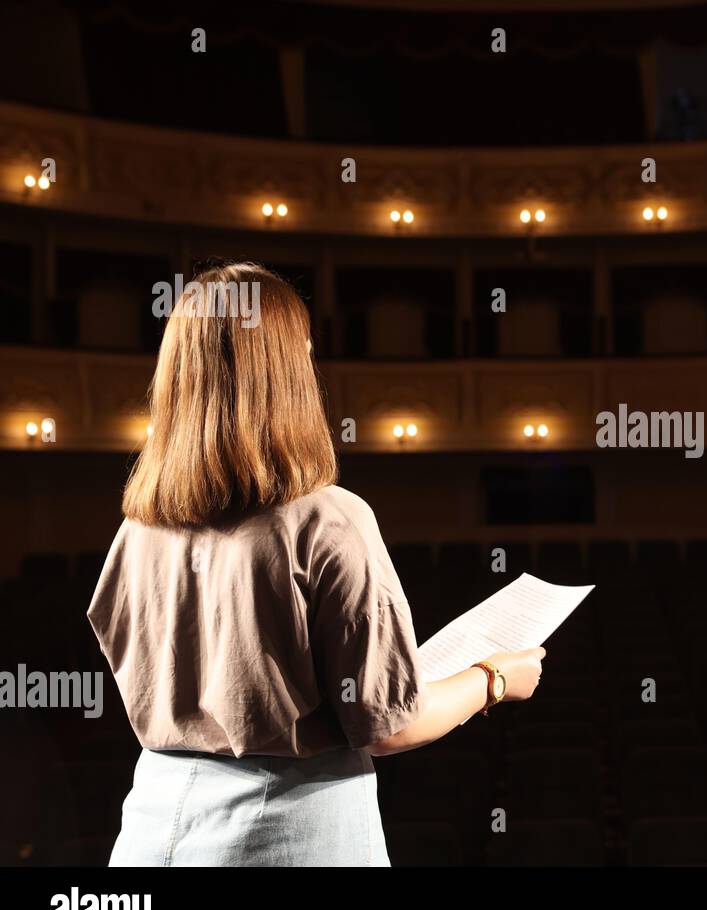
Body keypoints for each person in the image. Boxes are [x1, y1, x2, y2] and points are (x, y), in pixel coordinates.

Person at [86, 262, 545, 866]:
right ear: (288, 372)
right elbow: (387, 726)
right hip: (286, 837)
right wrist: (495, 678)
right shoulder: (329, 518)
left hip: (152, 831)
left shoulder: (137, 529)